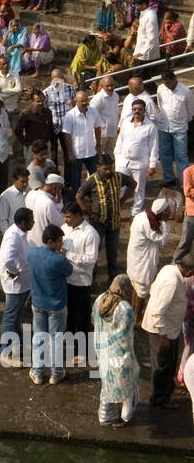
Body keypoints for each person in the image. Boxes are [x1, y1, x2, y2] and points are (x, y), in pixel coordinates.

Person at [141, 257, 194, 409]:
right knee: (161, 365)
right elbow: (158, 312)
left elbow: (153, 291)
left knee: (170, 362)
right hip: (162, 330)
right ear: (189, 271)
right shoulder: (172, 282)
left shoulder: (169, 269)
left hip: (170, 328)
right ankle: (160, 399)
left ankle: (168, 389)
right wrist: (163, 336)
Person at [77, 152, 134, 281]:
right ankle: (92, 279)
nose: (109, 171)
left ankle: (112, 279)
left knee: (113, 251)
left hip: (114, 221)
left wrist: (122, 200)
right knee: (94, 252)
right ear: (98, 167)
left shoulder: (118, 177)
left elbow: (133, 184)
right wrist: (88, 213)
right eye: (105, 168)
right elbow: (79, 197)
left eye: (110, 168)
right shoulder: (91, 180)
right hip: (97, 222)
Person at [27, 224, 72, 385]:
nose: (61, 244)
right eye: (60, 241)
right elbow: (69, 271)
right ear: (51, 241)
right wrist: (63, 255)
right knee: (56, 339)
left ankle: (38, 372)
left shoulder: (31, 253)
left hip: (38, 302)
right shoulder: (58, 259)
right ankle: (56, 373)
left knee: (39, 337)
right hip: (57, 305)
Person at [92, 276, 140, 428]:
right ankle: (124, 418)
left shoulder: (100, 299)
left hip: (102, 350)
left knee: (108, 384)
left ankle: (106, 417)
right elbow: (127, 331)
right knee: (126, 387)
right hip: (120, 354)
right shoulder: (124, 308)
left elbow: (93, 320)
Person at [60, 203, 100, 356]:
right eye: (64, 216)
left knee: (81, 316)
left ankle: (83, 350)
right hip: (66, 280)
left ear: (78, 216)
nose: (66, 220)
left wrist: (68, 255)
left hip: (81, 281)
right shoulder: (65, 229)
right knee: (69, 314)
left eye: (68, 217)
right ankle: (70, 342)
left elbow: (91, 259)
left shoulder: (90, 233)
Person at [0, 206, 34, 367]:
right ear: (23, 222)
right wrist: (16, 272)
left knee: (15, 316)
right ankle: (6, 352)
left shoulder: (20, 234)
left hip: (22, 283)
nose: (34, 222)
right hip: (15, 285)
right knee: (11, 317)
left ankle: (15, 346)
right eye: (31, 220)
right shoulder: (13, 236)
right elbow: (8, 260)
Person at [127, 197, 172, 320]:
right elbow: (162, 240)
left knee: (136, 287)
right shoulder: (148, 225)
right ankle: (137, 317)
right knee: (142, 290)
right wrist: (166, 223)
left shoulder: (141, 215)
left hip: (135, 259)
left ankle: (134, 311)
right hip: (143, 263)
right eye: (167, 210)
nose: (169, 212)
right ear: (162, 212)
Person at [115, 98, 158, 213]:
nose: (137, 111)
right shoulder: (125, 123)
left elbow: (154, 147)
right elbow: (120, 141)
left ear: (144, 110)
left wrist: (152, 165)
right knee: (119, 186)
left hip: (140, 163)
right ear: (132, 110)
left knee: (139, 188)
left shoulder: (150, 127)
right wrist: (117, 157)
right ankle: (116, 208)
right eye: (134, 109)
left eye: (140, 109)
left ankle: (135, 211)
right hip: (123, 161)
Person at [155, 70, 194, 186]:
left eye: (169, 83)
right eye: (165, 83)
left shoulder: (186, 91)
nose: (167, 85)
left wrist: (181, 121)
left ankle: (184, 183)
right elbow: (160, 104)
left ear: (174, 79)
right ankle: (169, 179)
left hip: (180, 128)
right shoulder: (160, 89)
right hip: (163, 127)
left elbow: (190, 112)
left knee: (181, 156)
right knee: (164, 154)